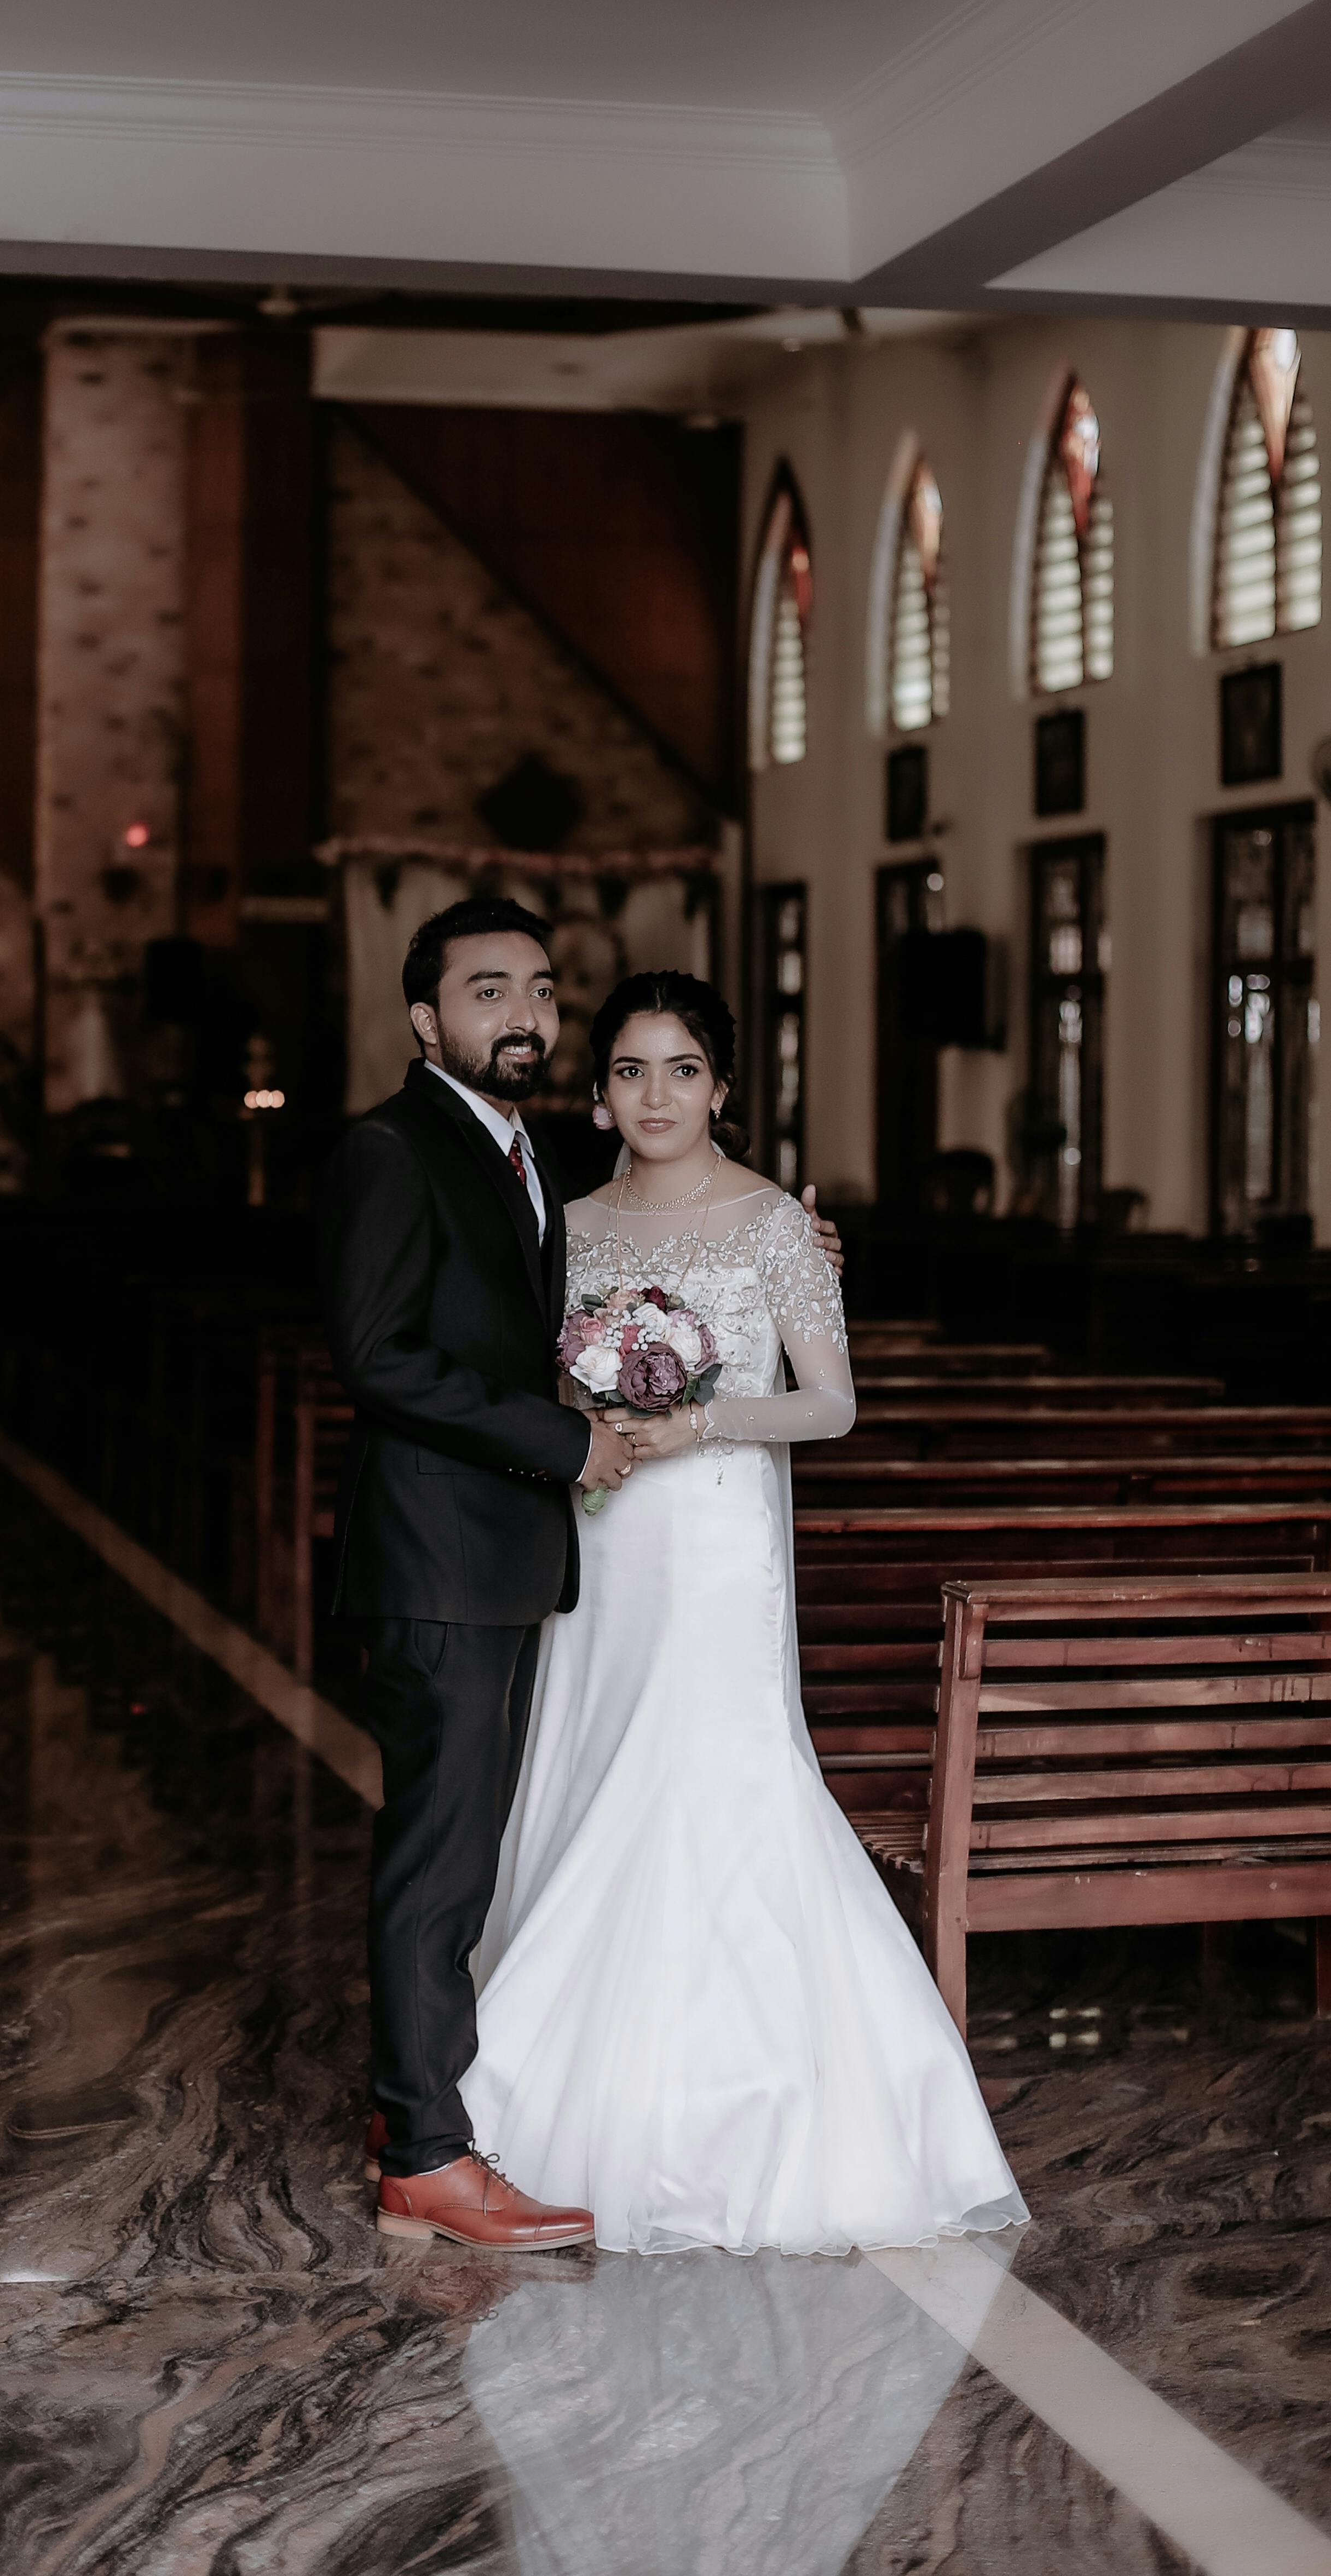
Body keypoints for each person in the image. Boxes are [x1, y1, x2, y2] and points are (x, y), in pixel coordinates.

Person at [460, 969, 1027, 2254]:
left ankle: (736, 2107)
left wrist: (697, 1417)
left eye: (680, 1070)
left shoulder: (777, 1226)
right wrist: (589, 1426)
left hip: (716, 1541)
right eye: (627, 1071)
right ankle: (527, 2105)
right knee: (593, 1769)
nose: (654, 1095)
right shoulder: (570, 1220)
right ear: (598, 1098)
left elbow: (832, 1403)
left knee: (713, 1780)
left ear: (721, 1087)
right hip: (602, 1539)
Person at [321, 904, 843, 2255]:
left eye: (541, 992)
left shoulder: (534, 1163)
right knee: (448, 1848)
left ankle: (431, 2099)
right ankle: (429, 2146)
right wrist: (576, 1438)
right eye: (487, 991)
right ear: (427, 1018)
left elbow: (578, 1298)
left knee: (486, 1840)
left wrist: (786, 1254)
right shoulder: (393, 1147)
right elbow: (379, 1357)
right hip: (453, 1550)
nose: (524, 1016)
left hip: (547, 1552)